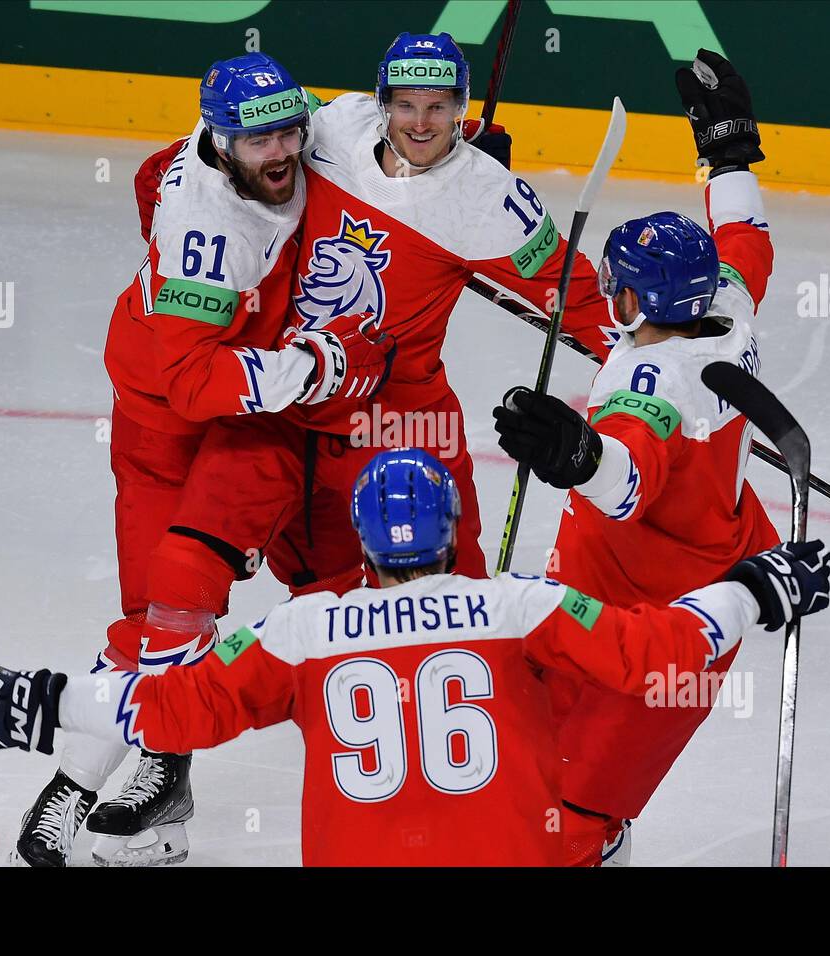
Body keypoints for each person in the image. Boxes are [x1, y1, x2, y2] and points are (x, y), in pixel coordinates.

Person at [0, 449, 830, 866]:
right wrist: (757, 587)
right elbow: (658, 651)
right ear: (455, 535)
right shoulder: (512, 605)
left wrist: (42, 701)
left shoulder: (304, 628)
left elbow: (174, 710)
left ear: (361, 547)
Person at [125, 31, 620, 699]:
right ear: (378, 103)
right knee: (185, 572)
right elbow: (219, 135)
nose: (420, 124)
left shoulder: (490, 203)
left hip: (396, 419)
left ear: (462, 109)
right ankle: (159, 746)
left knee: (452, 599)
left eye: (440, 108)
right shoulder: (327, 127)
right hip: (281, 409)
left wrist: (654, 365)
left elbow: (575, 295)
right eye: (406, 106)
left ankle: (483, 723)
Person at [12, 52, 394, 868]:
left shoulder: (282, 138)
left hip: (257, 423)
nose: (282, 151)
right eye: (258, 142)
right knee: (160, 620)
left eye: (290, 130)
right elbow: (192, 384)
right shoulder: (203, 231)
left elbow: (384, 126)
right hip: (173, 422)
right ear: (219, 143)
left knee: (281, 599)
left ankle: (154, 769)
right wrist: (319, 365)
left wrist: (447, 160)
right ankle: (92, 787)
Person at [492, 49, 779, 865]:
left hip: (651, 616)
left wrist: (577, 455)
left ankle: (598, 837)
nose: (605, 294)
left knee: (569, 816)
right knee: (527, 763)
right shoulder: (728, 303)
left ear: (637, 301)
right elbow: (746, 236)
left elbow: (625, 484)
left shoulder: (645, 385)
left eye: (615, 285)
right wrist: (727, 153)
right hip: (684, 575)